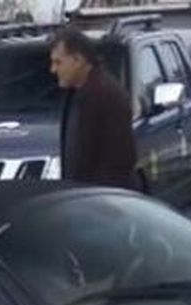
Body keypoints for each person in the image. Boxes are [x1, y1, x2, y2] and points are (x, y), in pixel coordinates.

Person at [49, 27, 140, 191]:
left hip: (103, 197)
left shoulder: (105, 95)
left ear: (78, 60)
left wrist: (92, 197)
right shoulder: (76, 94)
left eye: (58, 62)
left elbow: (120, 160)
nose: (53, 70)